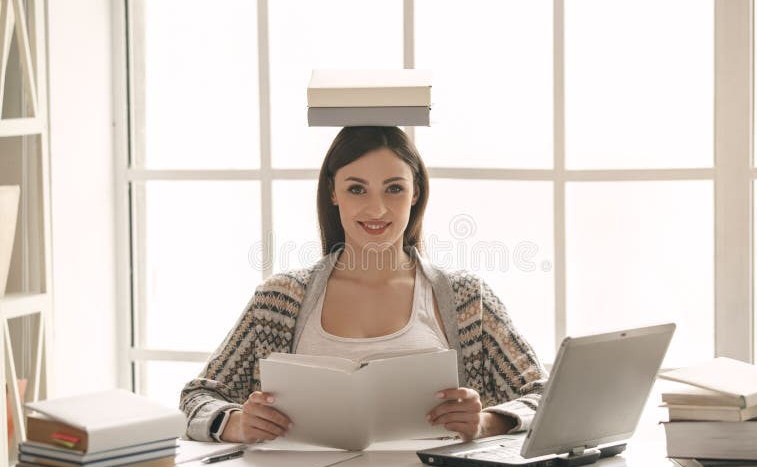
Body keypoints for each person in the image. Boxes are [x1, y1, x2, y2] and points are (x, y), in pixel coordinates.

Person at [180, 126, 547, 444]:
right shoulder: (279, 300)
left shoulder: (465, 298)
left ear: (415, 193)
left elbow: (543, 394)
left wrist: (484, 423)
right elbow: (198, 396)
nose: (377, 209)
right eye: (357, 189)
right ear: (333, 193)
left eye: (393, 189)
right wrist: (236, 424)